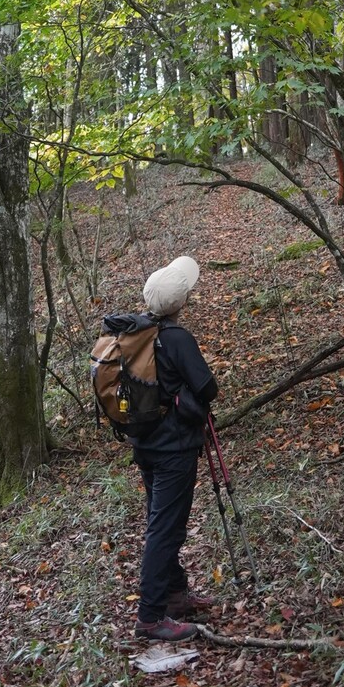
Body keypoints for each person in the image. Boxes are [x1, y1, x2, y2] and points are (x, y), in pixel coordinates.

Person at [131, 255, 219, 642]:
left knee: (161, 520)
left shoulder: (137, 334)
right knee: (165, 528)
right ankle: (151, 618)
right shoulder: (177, 338)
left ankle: (175, 594)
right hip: (174, 450)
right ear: (180, 301)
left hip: (145, 444)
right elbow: (208, 388)